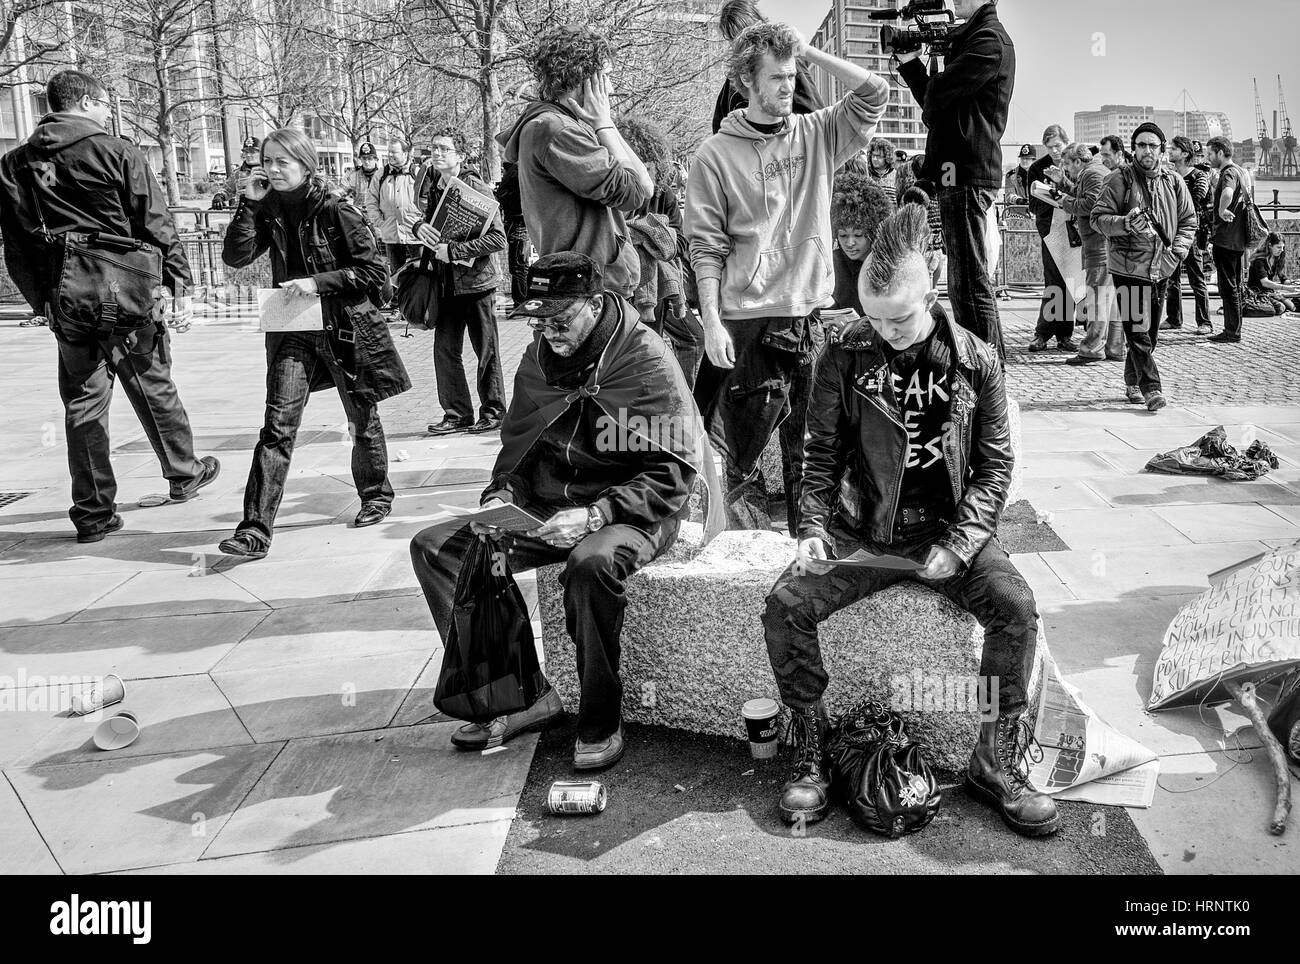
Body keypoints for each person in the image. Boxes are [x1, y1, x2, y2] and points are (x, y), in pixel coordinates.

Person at [762, 206, 1057, 837]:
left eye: (899, 318)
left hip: (949, 531)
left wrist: (961, 542)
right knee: (785, 603)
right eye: (874, 318)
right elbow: (818, 454)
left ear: (933, 287)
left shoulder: (975, 359)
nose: (887, 332)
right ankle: (809, 749)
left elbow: (995, 465)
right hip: (862, 532)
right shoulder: (843, 353)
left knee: (1016, 607)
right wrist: (811, 526)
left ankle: (995, 755)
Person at [409, 252, 706, 769]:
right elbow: (523, 446)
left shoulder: (646, 360)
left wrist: (596, 515)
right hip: (549, 505)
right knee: (440, 549)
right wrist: (505, 493)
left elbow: (673, 476)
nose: (548, 332)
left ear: (594, 304)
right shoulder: (539, 358)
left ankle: (600, 718)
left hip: (633, 509)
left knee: (589, 566)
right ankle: (523, 696)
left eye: (559, 320)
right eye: (538, 320)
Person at [686, 22, 889, 534]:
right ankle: (739, 568)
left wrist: (809, 52)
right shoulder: (714, 155)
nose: (786, 86)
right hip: (747, 323)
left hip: (810, 321)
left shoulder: (816, 133)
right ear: (746, 83)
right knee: (741, 463)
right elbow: (705, 248)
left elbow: (874, 92)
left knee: (813, 453)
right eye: (776, 77)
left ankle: (809, 553)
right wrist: (710, 320)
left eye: (791, 75)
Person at [0, 69, 220, 543]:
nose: (106, 112)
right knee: (153, 384)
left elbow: (16, 243)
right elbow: (155, 223)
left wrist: (43, 298)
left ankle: (93, 512)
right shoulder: (117, 151)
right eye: (104, 104)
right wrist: (179, 284)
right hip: (130, 290)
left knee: (83, 402)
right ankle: (183, 472)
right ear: (86, 100)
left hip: (69, 295)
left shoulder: (16, 162)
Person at [219, 128, 411, 559]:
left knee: (361, 416)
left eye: (281, 162)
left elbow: (373, 271)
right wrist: (248, 203)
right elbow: (236, 257)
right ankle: (255, 529)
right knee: (277, 426)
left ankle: (376, 494)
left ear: (306, 164)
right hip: (292, 328)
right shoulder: (266, 206)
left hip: (344, 327)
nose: (271, 169)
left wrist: (318, 282)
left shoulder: (335, 207)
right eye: (266, 161)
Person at [498, 25, 654, 299]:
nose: (610, 88)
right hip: (587, 289)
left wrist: (605, 124)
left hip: (586, 284)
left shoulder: (558, 125)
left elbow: (645, 188)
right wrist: (604, 124)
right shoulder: (558, 130)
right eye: (605, 77)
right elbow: (634, 193)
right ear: (582, 77)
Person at [896, 0, 1014, 356]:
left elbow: (938, 94)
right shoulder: (975, 37)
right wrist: (909, 62)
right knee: (965, 281)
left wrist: (917, 63)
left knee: (969, 283)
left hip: (967, 172)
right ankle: (987, 368)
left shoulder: (989, 40)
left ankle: (986, 371)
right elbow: (936, 101)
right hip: (957, 173)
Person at [1091, 122, 1197, 412]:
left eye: (1153, 145)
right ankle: (1152, 389)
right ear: (1133, 148)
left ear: (1162, 149)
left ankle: (1131, 382)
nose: (1147, 150)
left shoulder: (1174, 181)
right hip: (1127, 267)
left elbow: (1189, 219)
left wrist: (1180, 248)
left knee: (1150, 335)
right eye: (1141, 145)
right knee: (1137, 332)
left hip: (1162, 266)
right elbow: (1098, 219)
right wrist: (1125, 224)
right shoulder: (1118, 179)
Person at [414, 126, 508, 437]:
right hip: (446, 283)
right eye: (433, 147)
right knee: (444, 349)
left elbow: (498, 238)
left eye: (444, 148)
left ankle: (494, 412)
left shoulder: (473, 184)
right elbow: (430, 223)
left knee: (486, 350)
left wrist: (453, 251)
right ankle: (456, 414)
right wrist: (419, 228)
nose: (437, 153)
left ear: (461, 155)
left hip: (476, 283)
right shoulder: (434, 182)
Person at [616, 116, 700, 385]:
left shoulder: (663, 196)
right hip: (620, 292)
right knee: (637, 358)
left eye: (648, 165)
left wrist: (648, 234)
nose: (644, 170)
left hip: (664, 290)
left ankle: (684, 403)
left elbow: (681, 243)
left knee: (695, 340)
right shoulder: (608, 194)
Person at [711, 0, 823, 134]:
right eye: (734, 38)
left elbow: (814, 118)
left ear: (759, 25)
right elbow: (719, 130)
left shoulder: (787, 65)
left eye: (747, 33)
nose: (744, 42)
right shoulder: (732, 82)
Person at [1058, 143, 1123, 365]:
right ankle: (1114, 347)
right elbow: (1083, 194)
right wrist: (1063, 185)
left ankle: (1092, 348)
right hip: (1104, 246)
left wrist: (1065, 202)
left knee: (1097, 299)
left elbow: (1092, 203)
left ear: (1078, 161)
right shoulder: (1094, 171)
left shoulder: (1092, 173)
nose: (1067, 169)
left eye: (1067, 164)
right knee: (1110, 299)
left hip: (1099, 246)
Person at [1025, 124, 1079, 352]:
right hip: (1050, 228)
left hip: (1073, 229)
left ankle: (1065, 334)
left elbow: (1081, 193)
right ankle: (1043, 332)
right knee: (1052, 281)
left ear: (1066, 142)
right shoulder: (1037, 167)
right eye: (1050, 147)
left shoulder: (1076, 163)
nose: (1055, 151)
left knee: (1071, 282)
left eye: (1058, 145)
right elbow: (1034, 204)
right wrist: (1053, 197)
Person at [1161, 136, 1212, 334]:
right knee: (1171, 278)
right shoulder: (1168, 175)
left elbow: (1196, 201)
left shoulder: (1199, 176)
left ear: (1184, 153)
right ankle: (1174, 318)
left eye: (1174, 149)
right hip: (1170, 233)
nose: (1170, 151)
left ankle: (1205, 322)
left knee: (1196, 278)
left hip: (1191, 233)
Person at [830, 172, 895, 317]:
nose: (850, 243)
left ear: (873, 231)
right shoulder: (832, 264)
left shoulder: (889, 264)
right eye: (843, 235)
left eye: (858, 235)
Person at [1205, 136, 1249, 344]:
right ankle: (1234, 329)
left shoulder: (1228, 172)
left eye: (1210, 154)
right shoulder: (1241, 171)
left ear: (1220, 153)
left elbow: (1228, 193)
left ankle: (1232, 331)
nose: (1208, 158)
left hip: (1226, 239)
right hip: (1238, 238)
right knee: (1235, 284)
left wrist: (1222, 210)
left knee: (1228, 285)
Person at [364, 139, 422, 277]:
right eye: (388, 151)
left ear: (405, 153)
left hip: (416, 235)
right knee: (397, 276)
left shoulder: (418, 173)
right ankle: (400, 298)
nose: (390, 155)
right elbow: (371, 200)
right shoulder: (381, 174)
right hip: (391, 235)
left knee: (421, 275)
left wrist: (423, 222)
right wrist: (379, 222)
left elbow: (428, 201)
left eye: (394, 152)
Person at [495, 160, 531, 307]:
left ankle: (521, 301)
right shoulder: (519, 168)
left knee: (518, 265)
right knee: (519, 264)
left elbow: (502, 195)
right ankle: (521, 300)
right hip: (520, 221)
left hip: (518, 222)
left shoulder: (516, 170)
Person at [1245, 233, 1300, 316]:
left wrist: (1294, 283)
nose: (1281, 250)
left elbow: (1283, 278)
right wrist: (1286, 288)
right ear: (1270, 246)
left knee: (1293, 307)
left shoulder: (1277, 259)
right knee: (1280, 307)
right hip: (1258, 293)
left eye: (1282, 247)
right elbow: (1265, 282)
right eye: (1278, 247)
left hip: (1270, 293)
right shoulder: (1259, 261)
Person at [864, 136, 899, 204]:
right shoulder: (866, 174)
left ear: (888, 157)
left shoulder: (896, 175)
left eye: (878, 156)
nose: (874, 159)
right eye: (873, 155)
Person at [349, 142, 380, 210]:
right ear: (360, 159)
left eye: (369, 158)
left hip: (377, 215)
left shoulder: (382, 175)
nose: (366, 161)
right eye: (364, 158)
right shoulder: (353, 175)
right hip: (359, 215)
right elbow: (343, 191)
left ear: (376, 159)